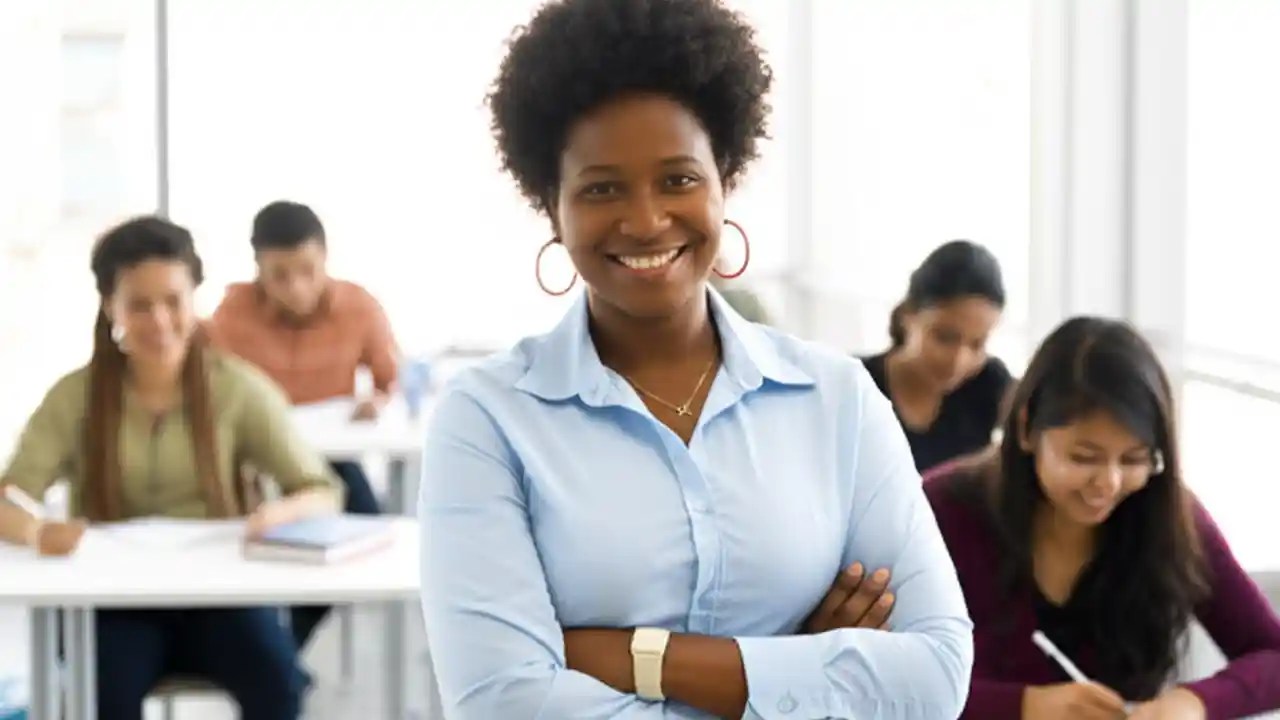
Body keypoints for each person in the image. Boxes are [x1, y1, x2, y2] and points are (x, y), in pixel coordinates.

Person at [418, 1, 973, 718]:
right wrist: (796, 675)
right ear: (551, 205)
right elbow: (505, 702)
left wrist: (633, 657)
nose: (647, 220)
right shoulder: (487, 419)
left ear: (724, 179)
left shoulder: (837, 397)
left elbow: (933, 677)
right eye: (601, 188)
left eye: (678, 178)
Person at [0, 216, 342, 720]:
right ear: (110, 306)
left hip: (219, 599)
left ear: (194, 298)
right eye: (140, 305)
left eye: (173, 301)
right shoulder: (75, 396)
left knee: (280, 684)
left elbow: (320, 489)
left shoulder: (237, 388)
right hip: (114, 605)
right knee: (105, 697)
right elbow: (9, 495)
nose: (159, 321)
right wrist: (35, 532)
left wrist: (281, 513)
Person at [925, 317, 1280, 719]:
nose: (1108, 484)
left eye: (1134, 459)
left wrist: (1193, 703)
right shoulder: (940, 511)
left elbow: (1272, 654)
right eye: (1084, 457)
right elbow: (873, 681)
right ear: (1026, 430)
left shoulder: (1169, 515)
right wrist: (1023, 707)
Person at [207, 200, 395, 647]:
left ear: (325, 258)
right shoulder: (231, 314)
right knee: (237, 544)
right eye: (279, 275)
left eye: (308, 270)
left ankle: (285, 649)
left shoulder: (359, 306)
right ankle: (257, 646)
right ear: (258, 271)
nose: (296, 287)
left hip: (328, 460)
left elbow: (391, 382)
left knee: (366, 533)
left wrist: (377, 401)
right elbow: (206, 387)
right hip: (255, 462)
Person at [862, 240, 1013, 474]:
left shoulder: (989, 383)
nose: (958, 361)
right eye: (945, 337)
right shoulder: (857, 385)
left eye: (977, 344)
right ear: (907, 315)